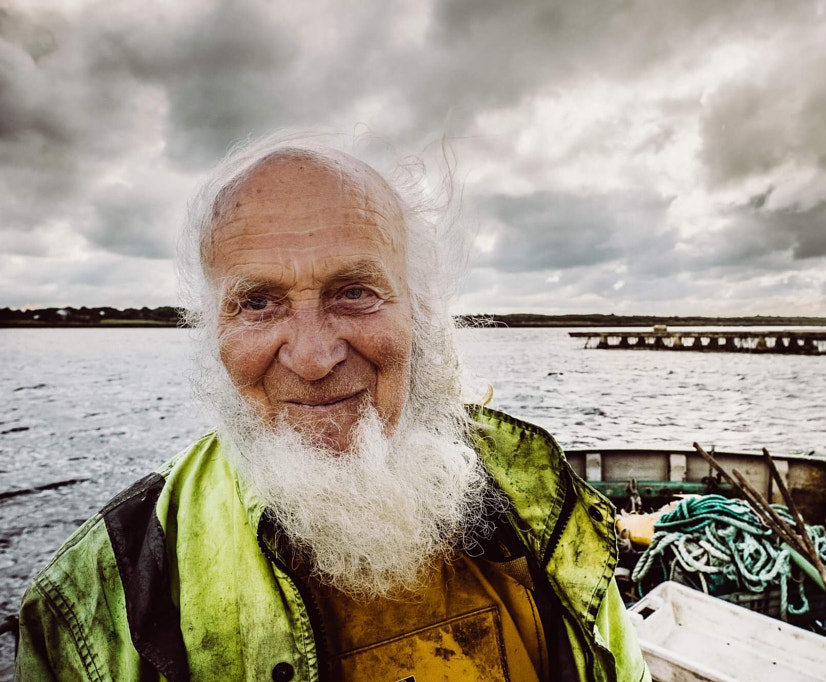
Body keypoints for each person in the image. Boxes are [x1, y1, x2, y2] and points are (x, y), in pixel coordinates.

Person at [15, 132, 650, 682]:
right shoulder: (96, 596)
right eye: (258, 302)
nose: (314, 357)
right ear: (212, 333)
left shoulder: (537, 496)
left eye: (354, 292)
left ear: (420, 314)